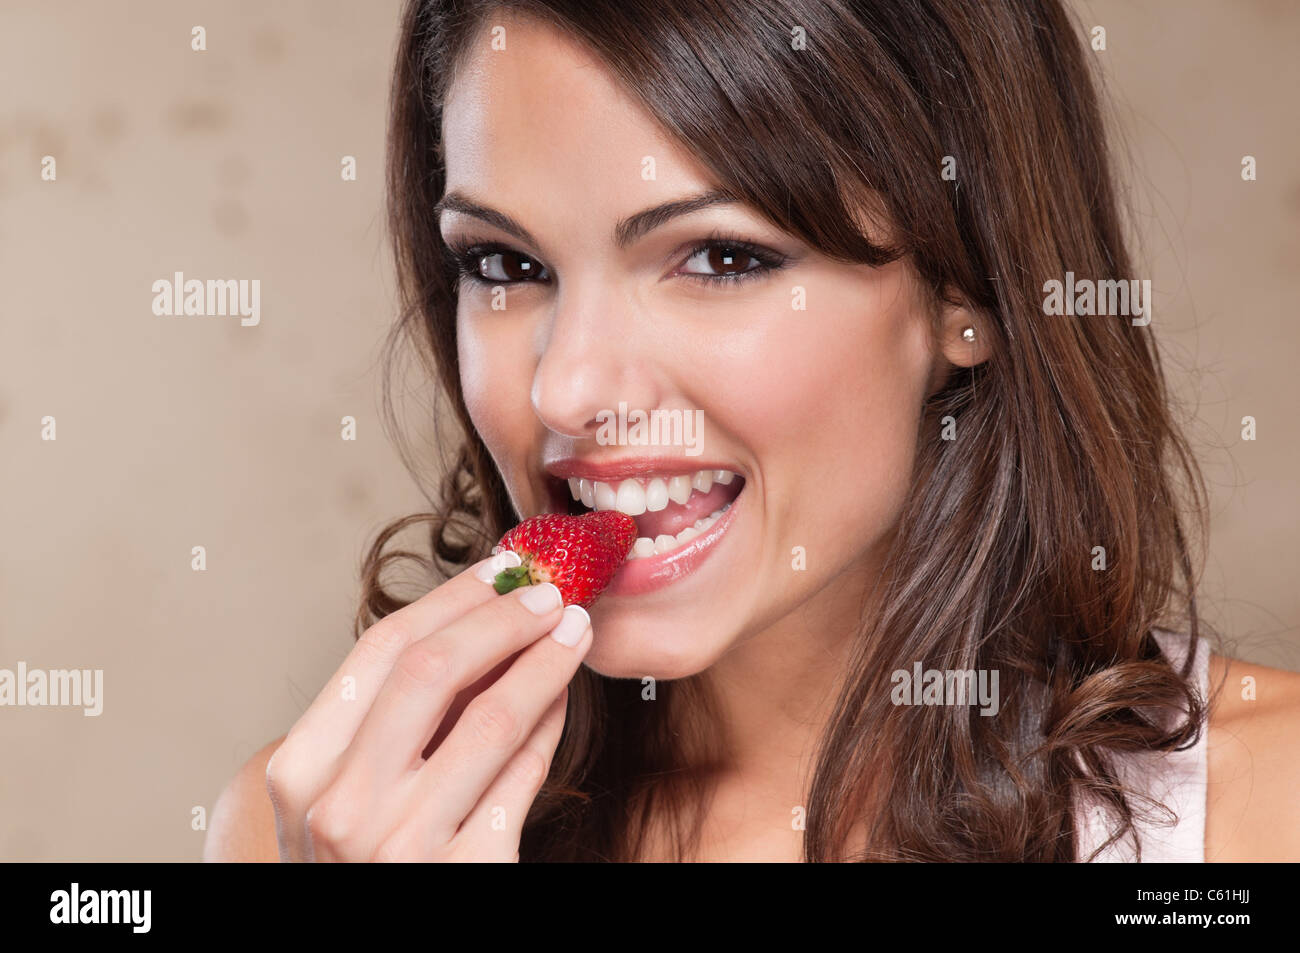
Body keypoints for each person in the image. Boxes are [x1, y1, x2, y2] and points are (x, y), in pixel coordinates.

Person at [206, 0, 1300, 862]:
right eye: (506, 264)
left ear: (963, 292)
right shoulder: (304, 829)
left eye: (721, 258)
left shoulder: (1264, 807)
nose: (568, 387)